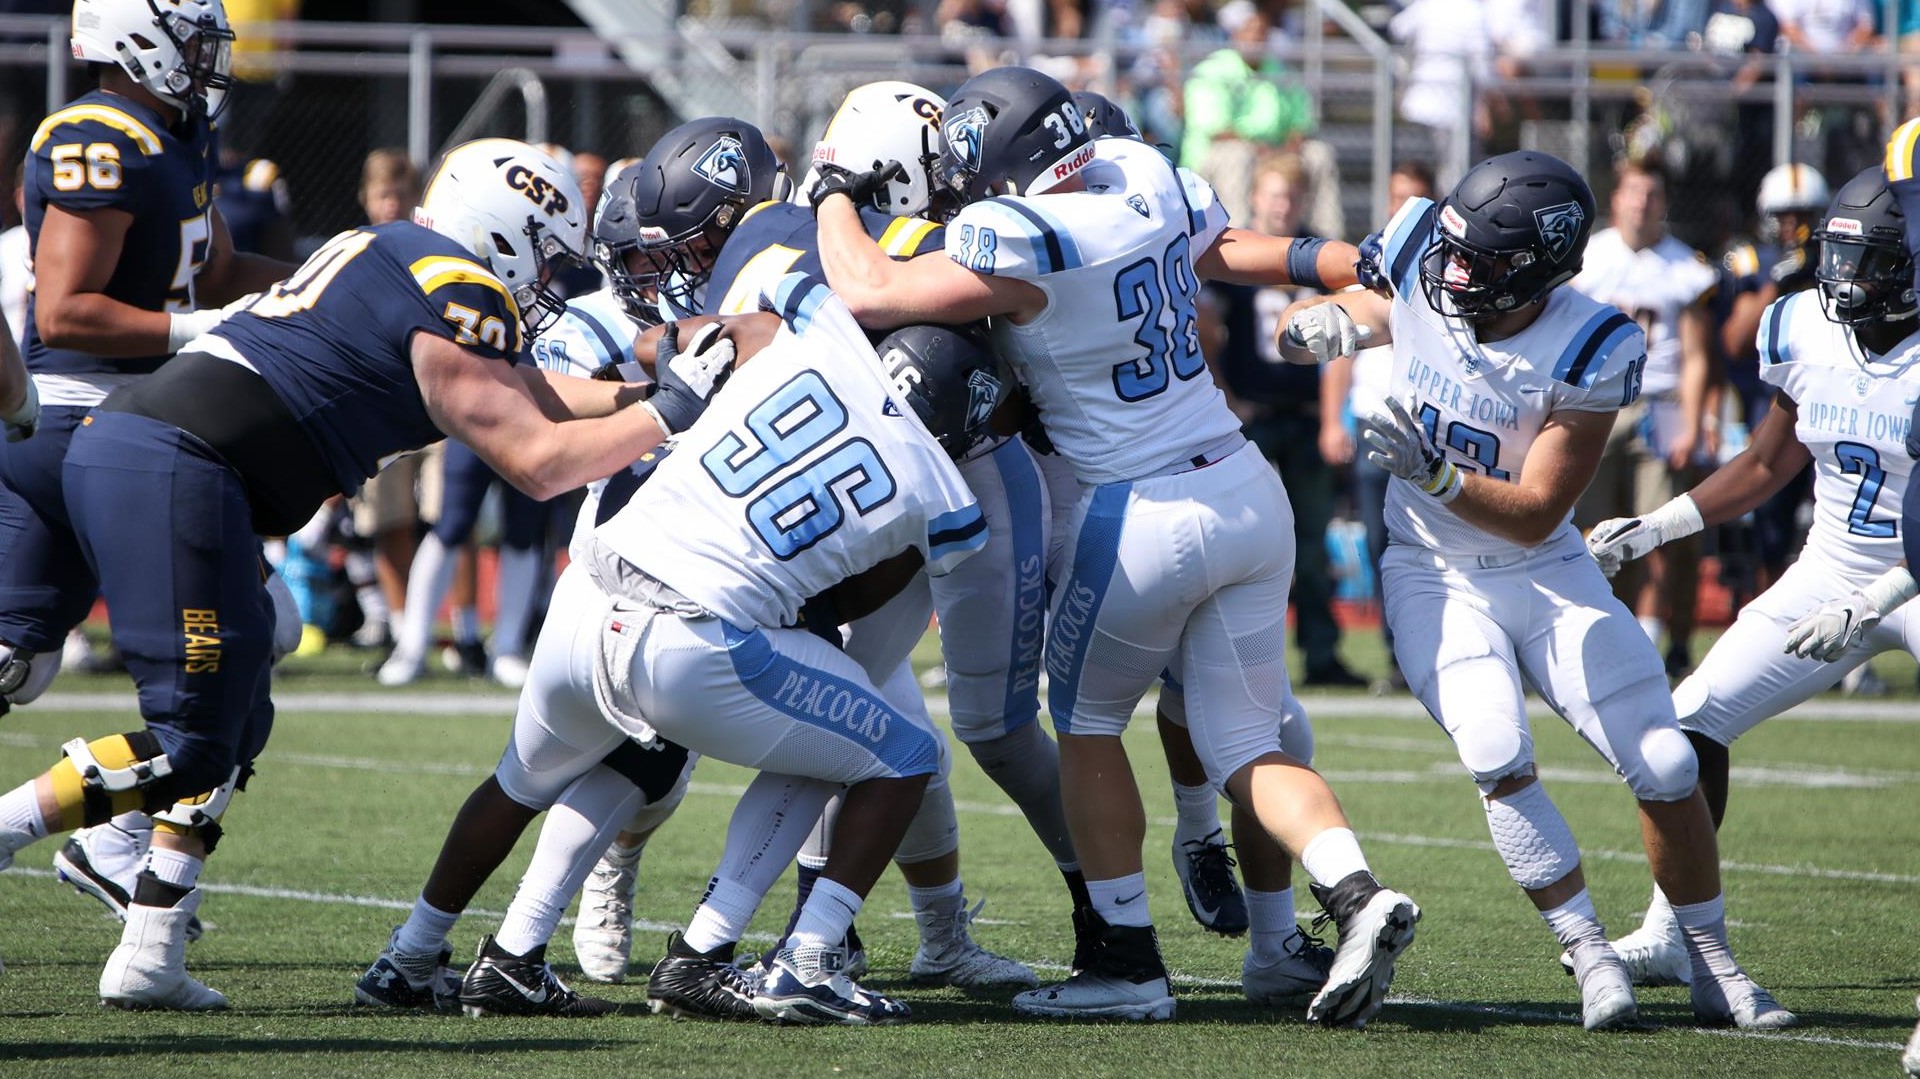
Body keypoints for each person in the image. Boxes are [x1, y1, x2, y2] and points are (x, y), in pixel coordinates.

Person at [0, 137, 698, 1010]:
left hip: (163, 454)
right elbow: (537, 457)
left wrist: (649, 399)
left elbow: (528, 391)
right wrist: (673, 410)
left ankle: (150, 945)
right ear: (509, 230)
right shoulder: (457, 287)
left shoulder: (397, 254)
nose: (549, 284)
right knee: (191, 739)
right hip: (178, 464)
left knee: (241, 708)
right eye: (549, 259)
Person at [816, 64, 1419, 1026]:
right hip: (1243, 485)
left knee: (1090, 727)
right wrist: (1357, 262)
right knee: (1248, 739)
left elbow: (872, 286)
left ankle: (1127, 963)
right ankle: (1354, 892)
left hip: (1138, 512)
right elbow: (1242, 252)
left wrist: (834, 186)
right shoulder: (1145, 178)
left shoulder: (1027, 235)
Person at [1281, 149, 1795, 1032]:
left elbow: (1534, 511)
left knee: (1668, 761)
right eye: (1452, 249)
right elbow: (1359, 308)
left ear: (1535, 268)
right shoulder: (1424, 254)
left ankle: (1712, 958)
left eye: (1478, 259)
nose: (1453, 270)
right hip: (1429, 569)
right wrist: (1321, 324)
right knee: (1494, 748)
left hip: (1542, 563)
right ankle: (1589, 949)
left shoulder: (1594, 341)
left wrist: (1439, 478)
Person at [598, 104, 1037, 993]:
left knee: (874, 734)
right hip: (725, 611)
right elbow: (903, 567)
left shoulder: (814, 311)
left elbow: (793, 313)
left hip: (632, 575)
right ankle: (785, 943)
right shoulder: (936, 467)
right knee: (890, 746)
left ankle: (524, 943)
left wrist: (656, 357)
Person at [1583, 167, 1919, 988]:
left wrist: (1873, 602)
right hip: (1832, 566)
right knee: (1690, 724)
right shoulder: (1805, 324)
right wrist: (1656, 526)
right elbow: (1769, 461)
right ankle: (1674, 930)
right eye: (1835, 256)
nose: (1841, 280)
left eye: (1866, 261)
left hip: (1907, 578)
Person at [1568, 158, 1720, 676]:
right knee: (1591, 529)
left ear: (1664, 202)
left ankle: (1651, 643)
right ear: (1616, 198)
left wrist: (1694, 423)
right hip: (1594, 404)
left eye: (1652, 194)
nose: (1642, 203)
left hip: (1660, 406)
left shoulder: (1685, 267)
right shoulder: (1588, 258)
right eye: (1634, 192)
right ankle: (1601, 636)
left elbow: (1697, 355)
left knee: (1655, 530)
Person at [1321, 159, 1437, 693]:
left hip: (1427, 429)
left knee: (1431, 547)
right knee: (1380, 547)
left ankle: (1442, 654)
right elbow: (1339, 346)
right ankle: (1399, 659)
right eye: (1396, 196)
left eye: (1413, 198)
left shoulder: (1443, 267)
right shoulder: (1367, 262)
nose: (1401, 209)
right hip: (1373, 422)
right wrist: (1332, 419)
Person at [345, 148, 428, 651]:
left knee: (447, 522)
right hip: (381, 397)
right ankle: (400, 630)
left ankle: (455, 627)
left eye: (401, 194)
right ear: (365, 199)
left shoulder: (434, 245)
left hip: (438, 400)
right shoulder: (350, 251)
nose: (392, 204)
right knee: (389, 520)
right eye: (383, 194)